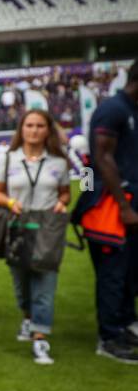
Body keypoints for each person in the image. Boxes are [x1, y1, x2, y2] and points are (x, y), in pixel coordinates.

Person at [0, 110, 72, 365]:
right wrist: (10, 202)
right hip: (18, 225)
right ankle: (27, 317)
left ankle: (40, 338)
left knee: (45, 282)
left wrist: (61, 203)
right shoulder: (7, 158)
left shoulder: (58, 161)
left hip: (47, 225)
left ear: (48, 130)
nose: (34, 130)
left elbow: (65, 192)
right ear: (21, 129)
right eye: (29, 125)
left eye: (40, 125)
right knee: (21, 286)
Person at [75, 65, 138, 363]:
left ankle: (125, 324)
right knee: (112, 275)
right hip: (110, 208)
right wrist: (124, 207)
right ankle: (109, 337)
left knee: (128, 272)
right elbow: (101, 157)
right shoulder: (113, 109)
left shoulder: (128, 108)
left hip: (126, 205)